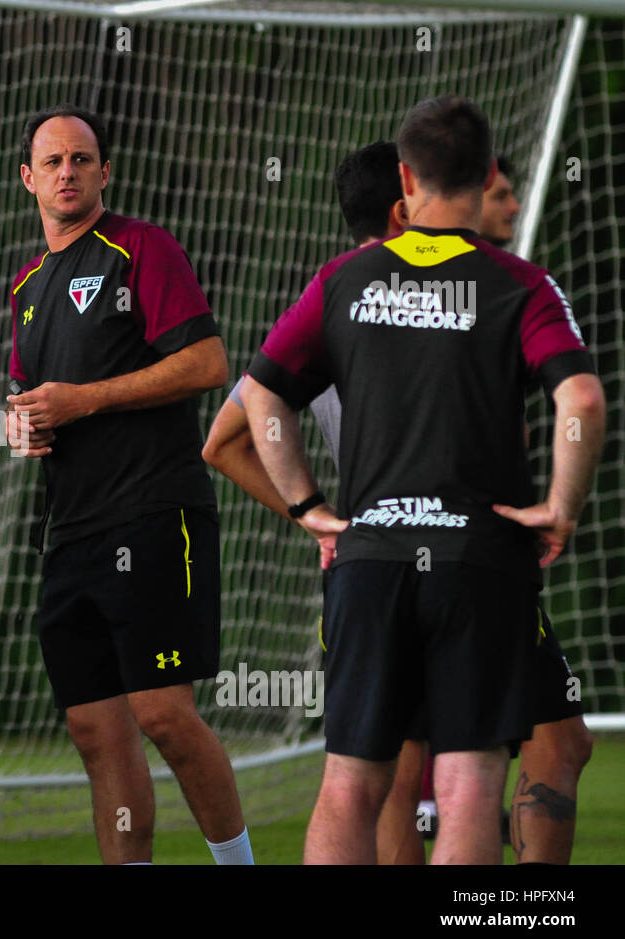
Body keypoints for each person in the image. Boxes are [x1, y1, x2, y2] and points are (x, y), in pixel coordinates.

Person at [240, 95, 605, 865]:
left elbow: (264, 395)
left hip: (370, 560)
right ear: (488, 176)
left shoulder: (343, 278)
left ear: (406, 178)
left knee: (349, 785)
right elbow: (582, 396)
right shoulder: (521, 285)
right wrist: (559, 507)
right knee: (468, 784)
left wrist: (307, 506)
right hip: (478, 561)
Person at [5, 104, 251, 865]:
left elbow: (207, 364)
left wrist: (87, 397)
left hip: (153, 514)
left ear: (105, 172)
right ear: (28, 180)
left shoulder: (141, 248)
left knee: (164, 715)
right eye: (54, 162)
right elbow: (25, 403)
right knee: (94, 731)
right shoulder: (27, 286)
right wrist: (24, 429)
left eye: (82, 159)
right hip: (71, 529)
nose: (68, 172)